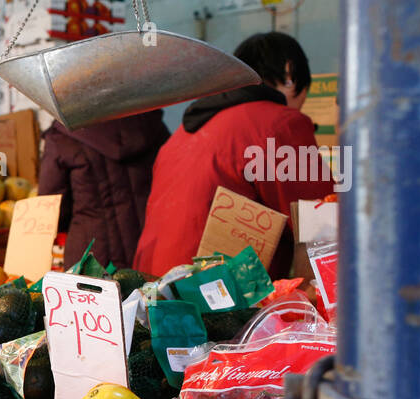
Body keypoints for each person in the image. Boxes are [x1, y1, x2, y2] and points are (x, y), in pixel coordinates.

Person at [132, 32, 334, 279]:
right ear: (290, 74)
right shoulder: (280, 123)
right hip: (213, 299)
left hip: (151, 290)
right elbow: (324, 221)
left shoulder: (183, 133)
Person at [38, 111, 169, 270]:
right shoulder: (148, 121)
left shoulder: (62, 138)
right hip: (153, 246)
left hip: (92, 260)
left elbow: (51, 211)